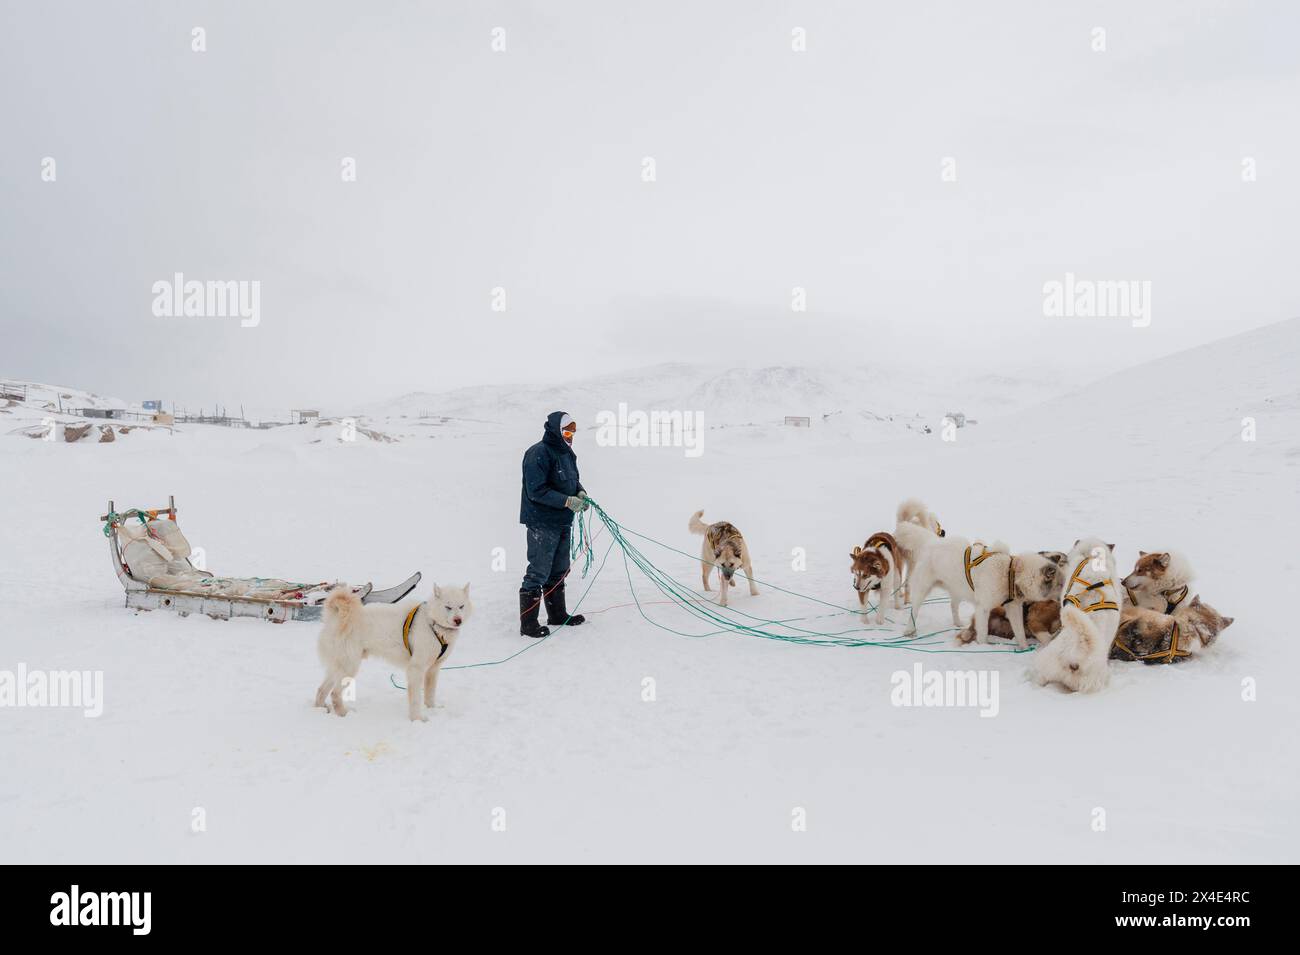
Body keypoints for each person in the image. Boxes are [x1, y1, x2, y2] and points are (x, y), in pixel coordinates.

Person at [518, 411, 590, 638]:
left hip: (562, 521)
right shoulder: (538, 453)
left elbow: (572, 479)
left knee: (559, 570)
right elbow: (536, 490)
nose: (570, 436)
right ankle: (528, 624)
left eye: (572, 432)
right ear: (556, 431)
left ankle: (557, 615)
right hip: (542, 522)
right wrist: (567, 501)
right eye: (566, 431)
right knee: (538, 571)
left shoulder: (567, 454)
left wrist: (580, 492)